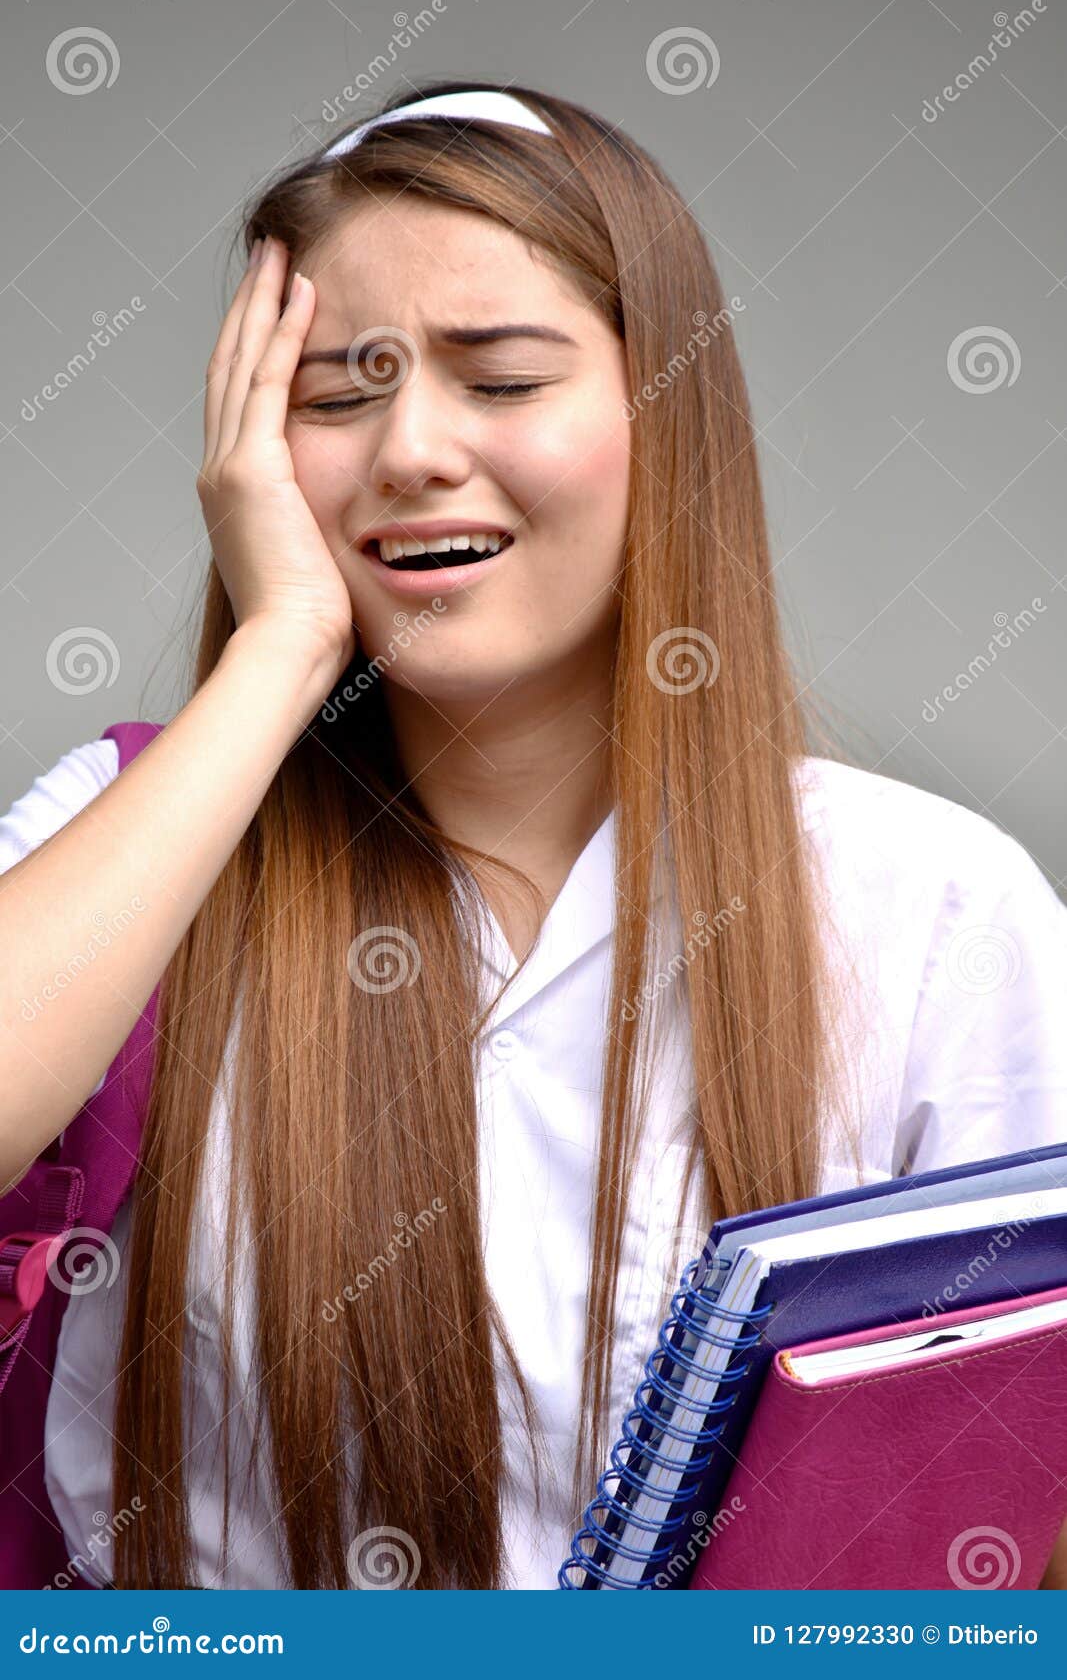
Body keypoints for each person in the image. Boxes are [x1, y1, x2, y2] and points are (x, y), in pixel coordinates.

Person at [2, 80, 1065, 1591]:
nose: (411, 451)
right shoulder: (137, 833)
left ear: (663, 414)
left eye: (499, 379)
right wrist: (283, 649)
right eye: (336, 395)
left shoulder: (937, 907)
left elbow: (1018, 1508)